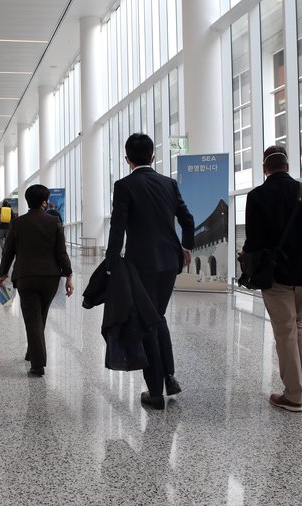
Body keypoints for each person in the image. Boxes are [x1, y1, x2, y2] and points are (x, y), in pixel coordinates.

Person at [243, 145, 302, 413]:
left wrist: (248, 264)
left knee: (285, 331)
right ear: (287, 167)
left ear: (265, 169)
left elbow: (254, 240)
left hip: (276, 276)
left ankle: (293, 395)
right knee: (296, 324)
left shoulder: (257, 196)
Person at [106, 133, 195, 410]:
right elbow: (188, 220)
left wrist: (111, 263)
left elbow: (118, 226)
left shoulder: (124, 185)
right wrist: (186, 247)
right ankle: (168, 377)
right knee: (156, 317)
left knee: (146, 322)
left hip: (140, 265)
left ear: (127, 159)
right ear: (153, 157)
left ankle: (155, 393)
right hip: (169, 262)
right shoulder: (169, 183)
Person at [0, 185, 73, 377]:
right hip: (50, 278)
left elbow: (8, 251)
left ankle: (37, 365)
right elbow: (61, 252)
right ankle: (32, 352)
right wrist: (69, 275)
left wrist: (2, 273)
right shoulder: (54, 221)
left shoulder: (18, 223)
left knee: (33, 318)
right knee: (40, 316)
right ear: (44, 202)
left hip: (26, 277)